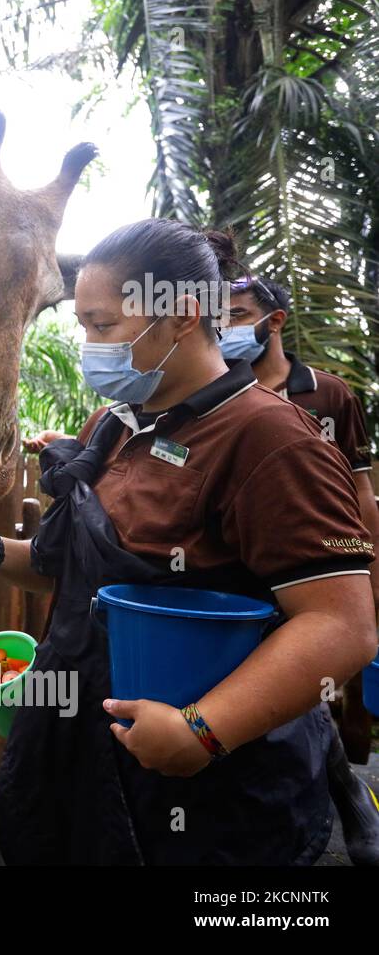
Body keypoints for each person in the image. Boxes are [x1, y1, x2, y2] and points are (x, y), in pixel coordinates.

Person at [0, 219, 377, 864]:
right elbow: (81, 574)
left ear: (180, 316)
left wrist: (202, 731)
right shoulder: (112, 428)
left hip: (212, 783)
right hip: (80, 756)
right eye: (82, 324)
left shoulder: (271, 442)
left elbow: (341, 626)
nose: (89, 345)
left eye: (104, 325)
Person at [219, 275, 379, 863]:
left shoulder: (329, 395)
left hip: (317, 565)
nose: (225, 328)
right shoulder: (217, 391)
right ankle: (341, 797)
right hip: (242, 568)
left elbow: (361, 492)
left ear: (275, 321)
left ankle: (339, 801)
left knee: (303, 688)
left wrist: (371, 574)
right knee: (273, 689)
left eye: (237, 314)